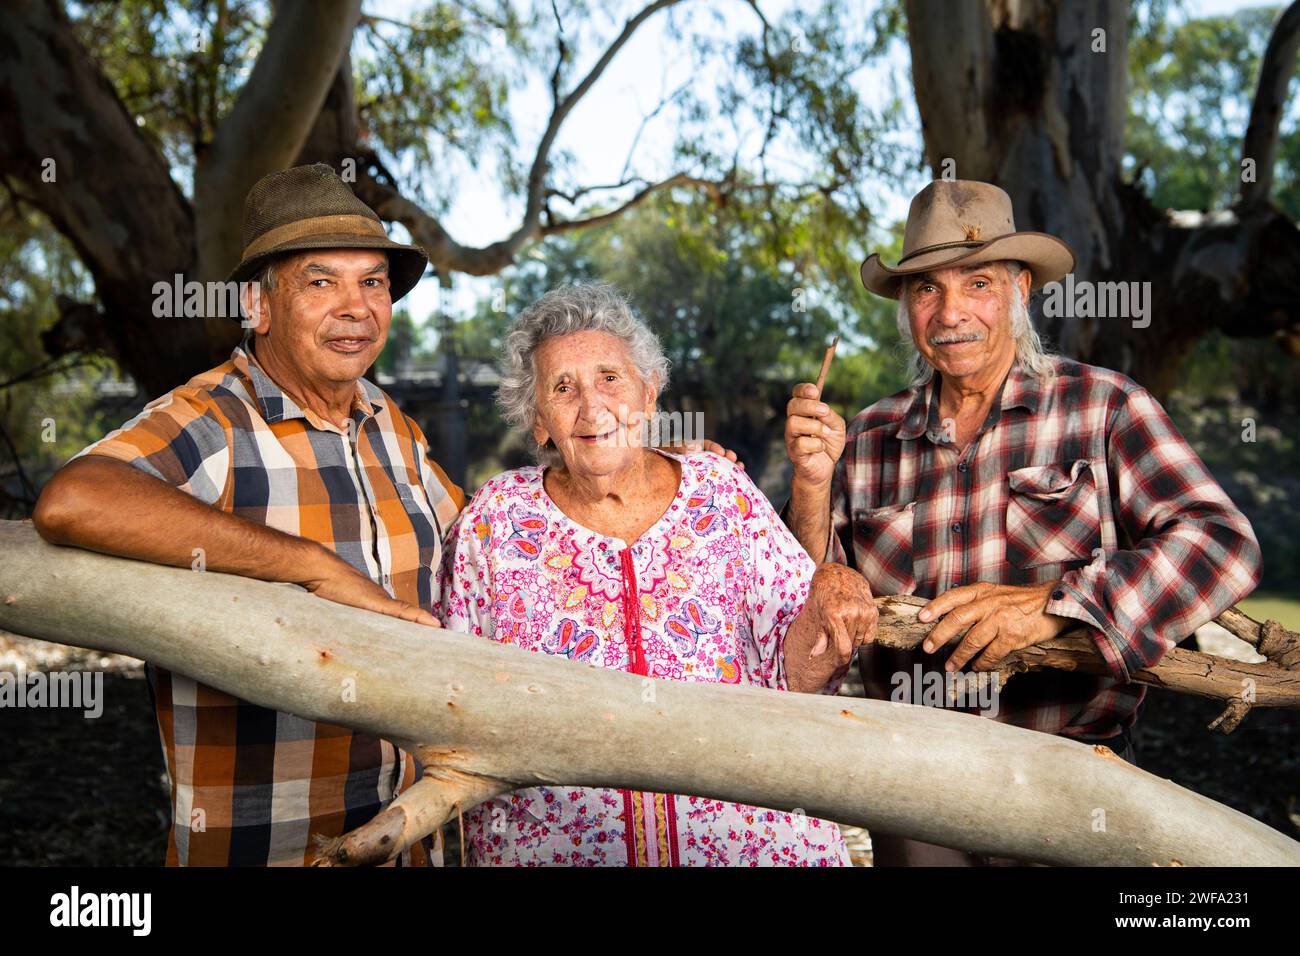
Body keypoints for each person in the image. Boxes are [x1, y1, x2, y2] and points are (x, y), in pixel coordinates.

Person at [783, 179, 1262, 866]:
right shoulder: (864, 437)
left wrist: (1057, 608)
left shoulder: (1104, 408)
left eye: (977, 284)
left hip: (1073, 782)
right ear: (907, 308)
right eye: (927, 289)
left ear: (1019, 289)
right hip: (912, 789)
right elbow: (797, 599)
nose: (951, 312)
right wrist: (809, 486)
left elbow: (1221, 544)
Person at [32, 164, 462, 866]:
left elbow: (478, 543)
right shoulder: (214, 421)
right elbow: (73, 499)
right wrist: (311, 567)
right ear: (257, 307)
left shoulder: (391, 424)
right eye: (320, 282)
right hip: (262, 851)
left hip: (407, 844)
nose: (356, 308)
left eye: (373, 282)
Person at [437, 282, 877, 866]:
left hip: (747, 845)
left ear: (649, 394)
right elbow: (458, 701)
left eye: (609, 378)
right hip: (560, 849)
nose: (592, 408)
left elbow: (797, 676)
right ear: (538, 420)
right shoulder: (494, 521)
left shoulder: (722, 491)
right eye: (563, 388)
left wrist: (830, 591)